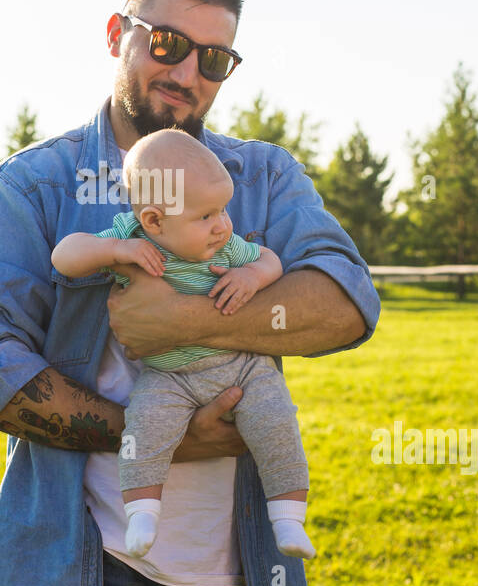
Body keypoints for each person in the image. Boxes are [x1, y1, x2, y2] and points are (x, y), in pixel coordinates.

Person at [0, 0, 381, 586]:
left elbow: (346, 303)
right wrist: (155, 437)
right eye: (167, 44)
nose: (185, 73)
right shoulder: (30, 187)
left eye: (214, 59)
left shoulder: (261, 177)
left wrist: (185, 322)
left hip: (244, 581)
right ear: (118, 34)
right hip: (82, 577)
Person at [51, 128, 316, 562]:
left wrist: (252, 276)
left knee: (275, 421)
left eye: (223, 210)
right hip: (169, 375)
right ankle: (142, 514)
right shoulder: (132, 237)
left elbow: (270, 259)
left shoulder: (227, 247)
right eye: (206, 216)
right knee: (145, 427)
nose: (223, 225)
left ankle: (288, 517)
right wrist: (116, 250)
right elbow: (65, 255)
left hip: (242, 369)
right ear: (154, 220)